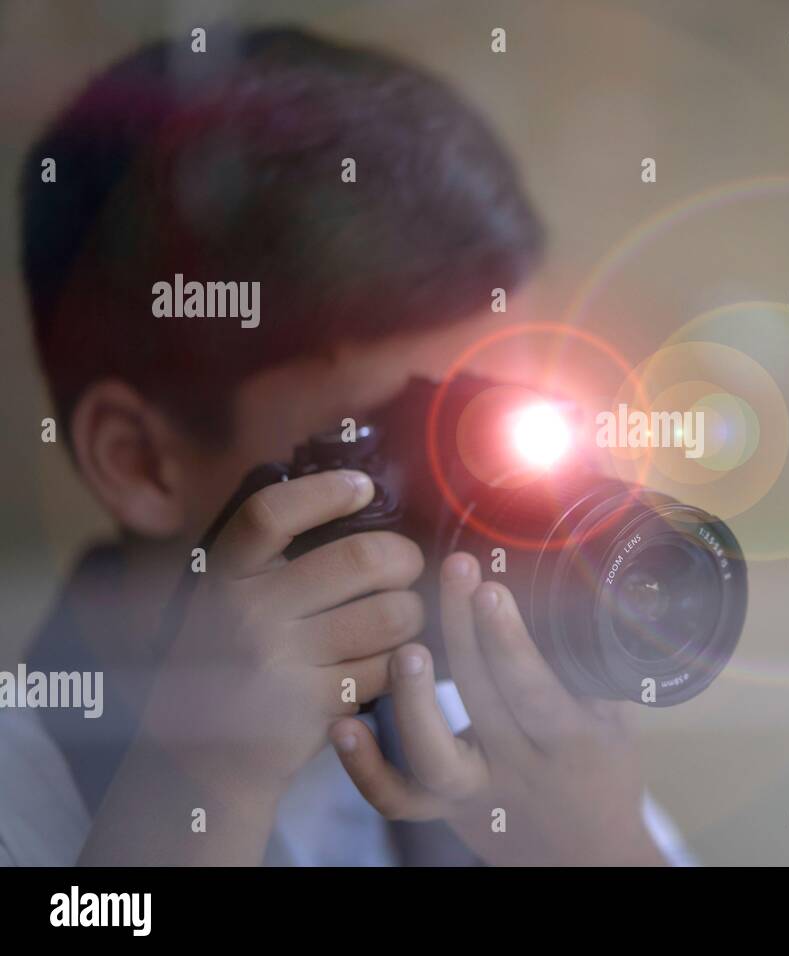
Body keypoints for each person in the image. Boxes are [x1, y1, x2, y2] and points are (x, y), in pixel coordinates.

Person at [0, 27, 689, 866]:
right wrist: (203, 785)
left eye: (502, 417)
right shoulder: (21, 796)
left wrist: (600, 848)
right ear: (140, 461)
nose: (491, 495)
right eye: (394, 435)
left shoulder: (520, 758)